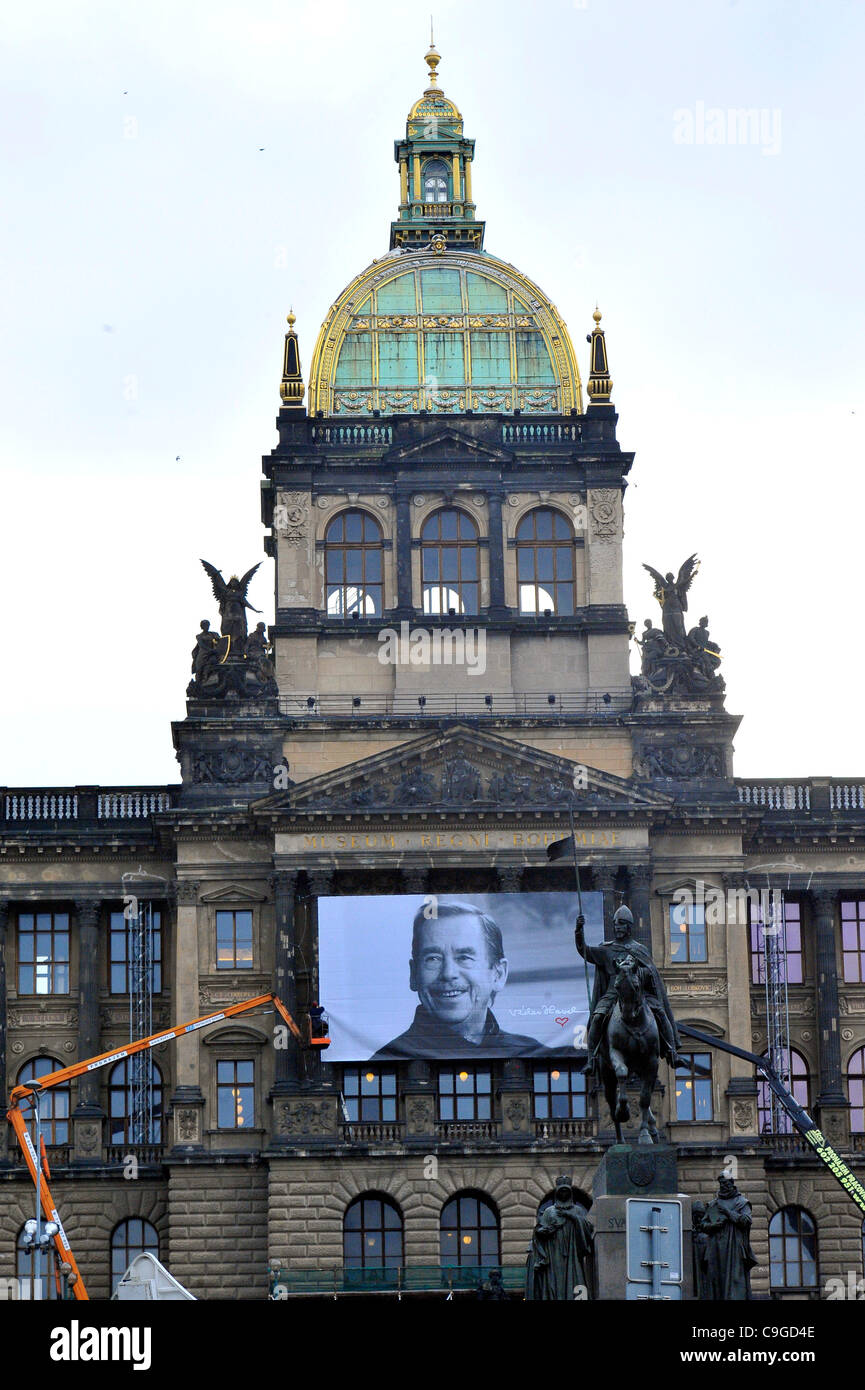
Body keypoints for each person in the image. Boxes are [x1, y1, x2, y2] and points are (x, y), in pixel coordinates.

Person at [370, 901, 543, 1060]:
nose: (448, 973)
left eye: (464, 957)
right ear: (414, 974)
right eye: (433, 959)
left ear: (498, 974)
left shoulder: (535, 1056)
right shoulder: (386, 1061)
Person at [575, 904, 681, 1076]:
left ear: (629, 928)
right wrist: (579, 932)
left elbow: (650, 973)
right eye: (616, 925)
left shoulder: (639, 949)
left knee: (660, 1013)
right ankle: (591, 1059)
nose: (618, 928)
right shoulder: (606, 949)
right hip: (613, 992)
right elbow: (585, 951)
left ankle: (672, 1051)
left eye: (622, 925)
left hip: (640, 993)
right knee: (597, 1018)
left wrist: (637, 972)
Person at [525, 1177, 594, 1301]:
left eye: (566, 1191)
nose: (564, 1194)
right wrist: (544, 1232)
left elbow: (587, 1229)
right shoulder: (549, 1211)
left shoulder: (577, 1210)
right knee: (555, 1280)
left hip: (572, 1251)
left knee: (575, 1278)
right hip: (554, 1251)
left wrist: (571, 1216)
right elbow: (539, 1232)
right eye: (561, 1191)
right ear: (557, 1193)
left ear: (570, 1193)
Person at [700, 1175, 757, 1300]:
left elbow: (746, 1221)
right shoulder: (713, 1204)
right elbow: (703, 1225)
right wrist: (713, 1225)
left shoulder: (741, 1202)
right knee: (716, 1279)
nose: (723, 1186)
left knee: (734, 1280)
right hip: (716, 1247)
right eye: (721, 1184)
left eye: (726, 1184)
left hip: (734, 1246)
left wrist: (728, 1213)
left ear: (732, 1183)